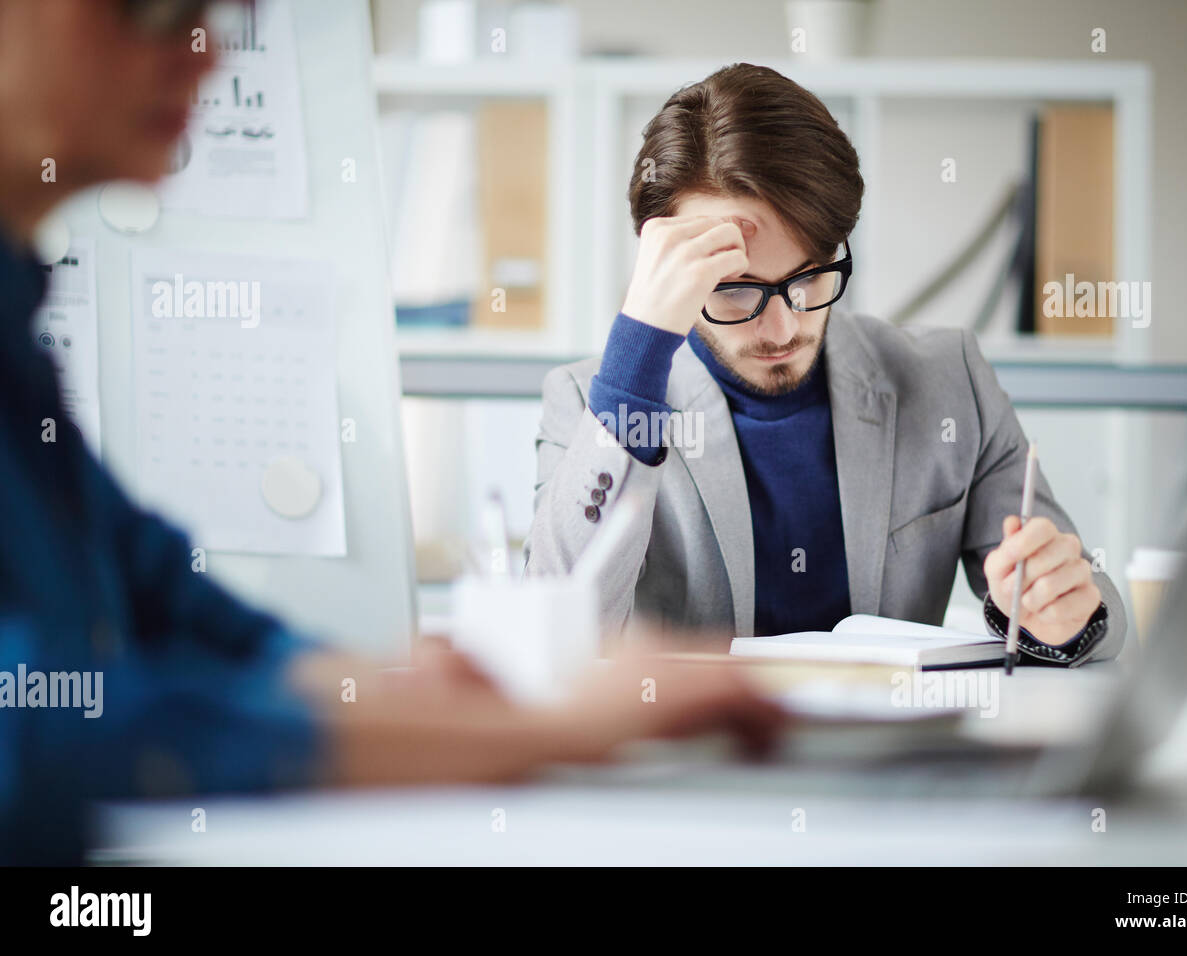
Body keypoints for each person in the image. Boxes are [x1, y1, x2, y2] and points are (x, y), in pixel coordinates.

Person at [0, 0, 782, 865]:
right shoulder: (591, 395)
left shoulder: (14, 347)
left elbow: (165, 596)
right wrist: (540, 731)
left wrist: (385, 690)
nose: (206, 55)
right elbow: (32, 734)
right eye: (149, 10)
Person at [526, 63, 1126, 665]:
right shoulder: (594, 403)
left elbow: (1092, 605)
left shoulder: (950, 380)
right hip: (690, 755)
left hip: (891, 755)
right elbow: (554, 638)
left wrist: (1064, 617)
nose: (783, 327)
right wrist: (639, 349)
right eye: (736, 287)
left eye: (809, 276)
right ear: (668, 269)